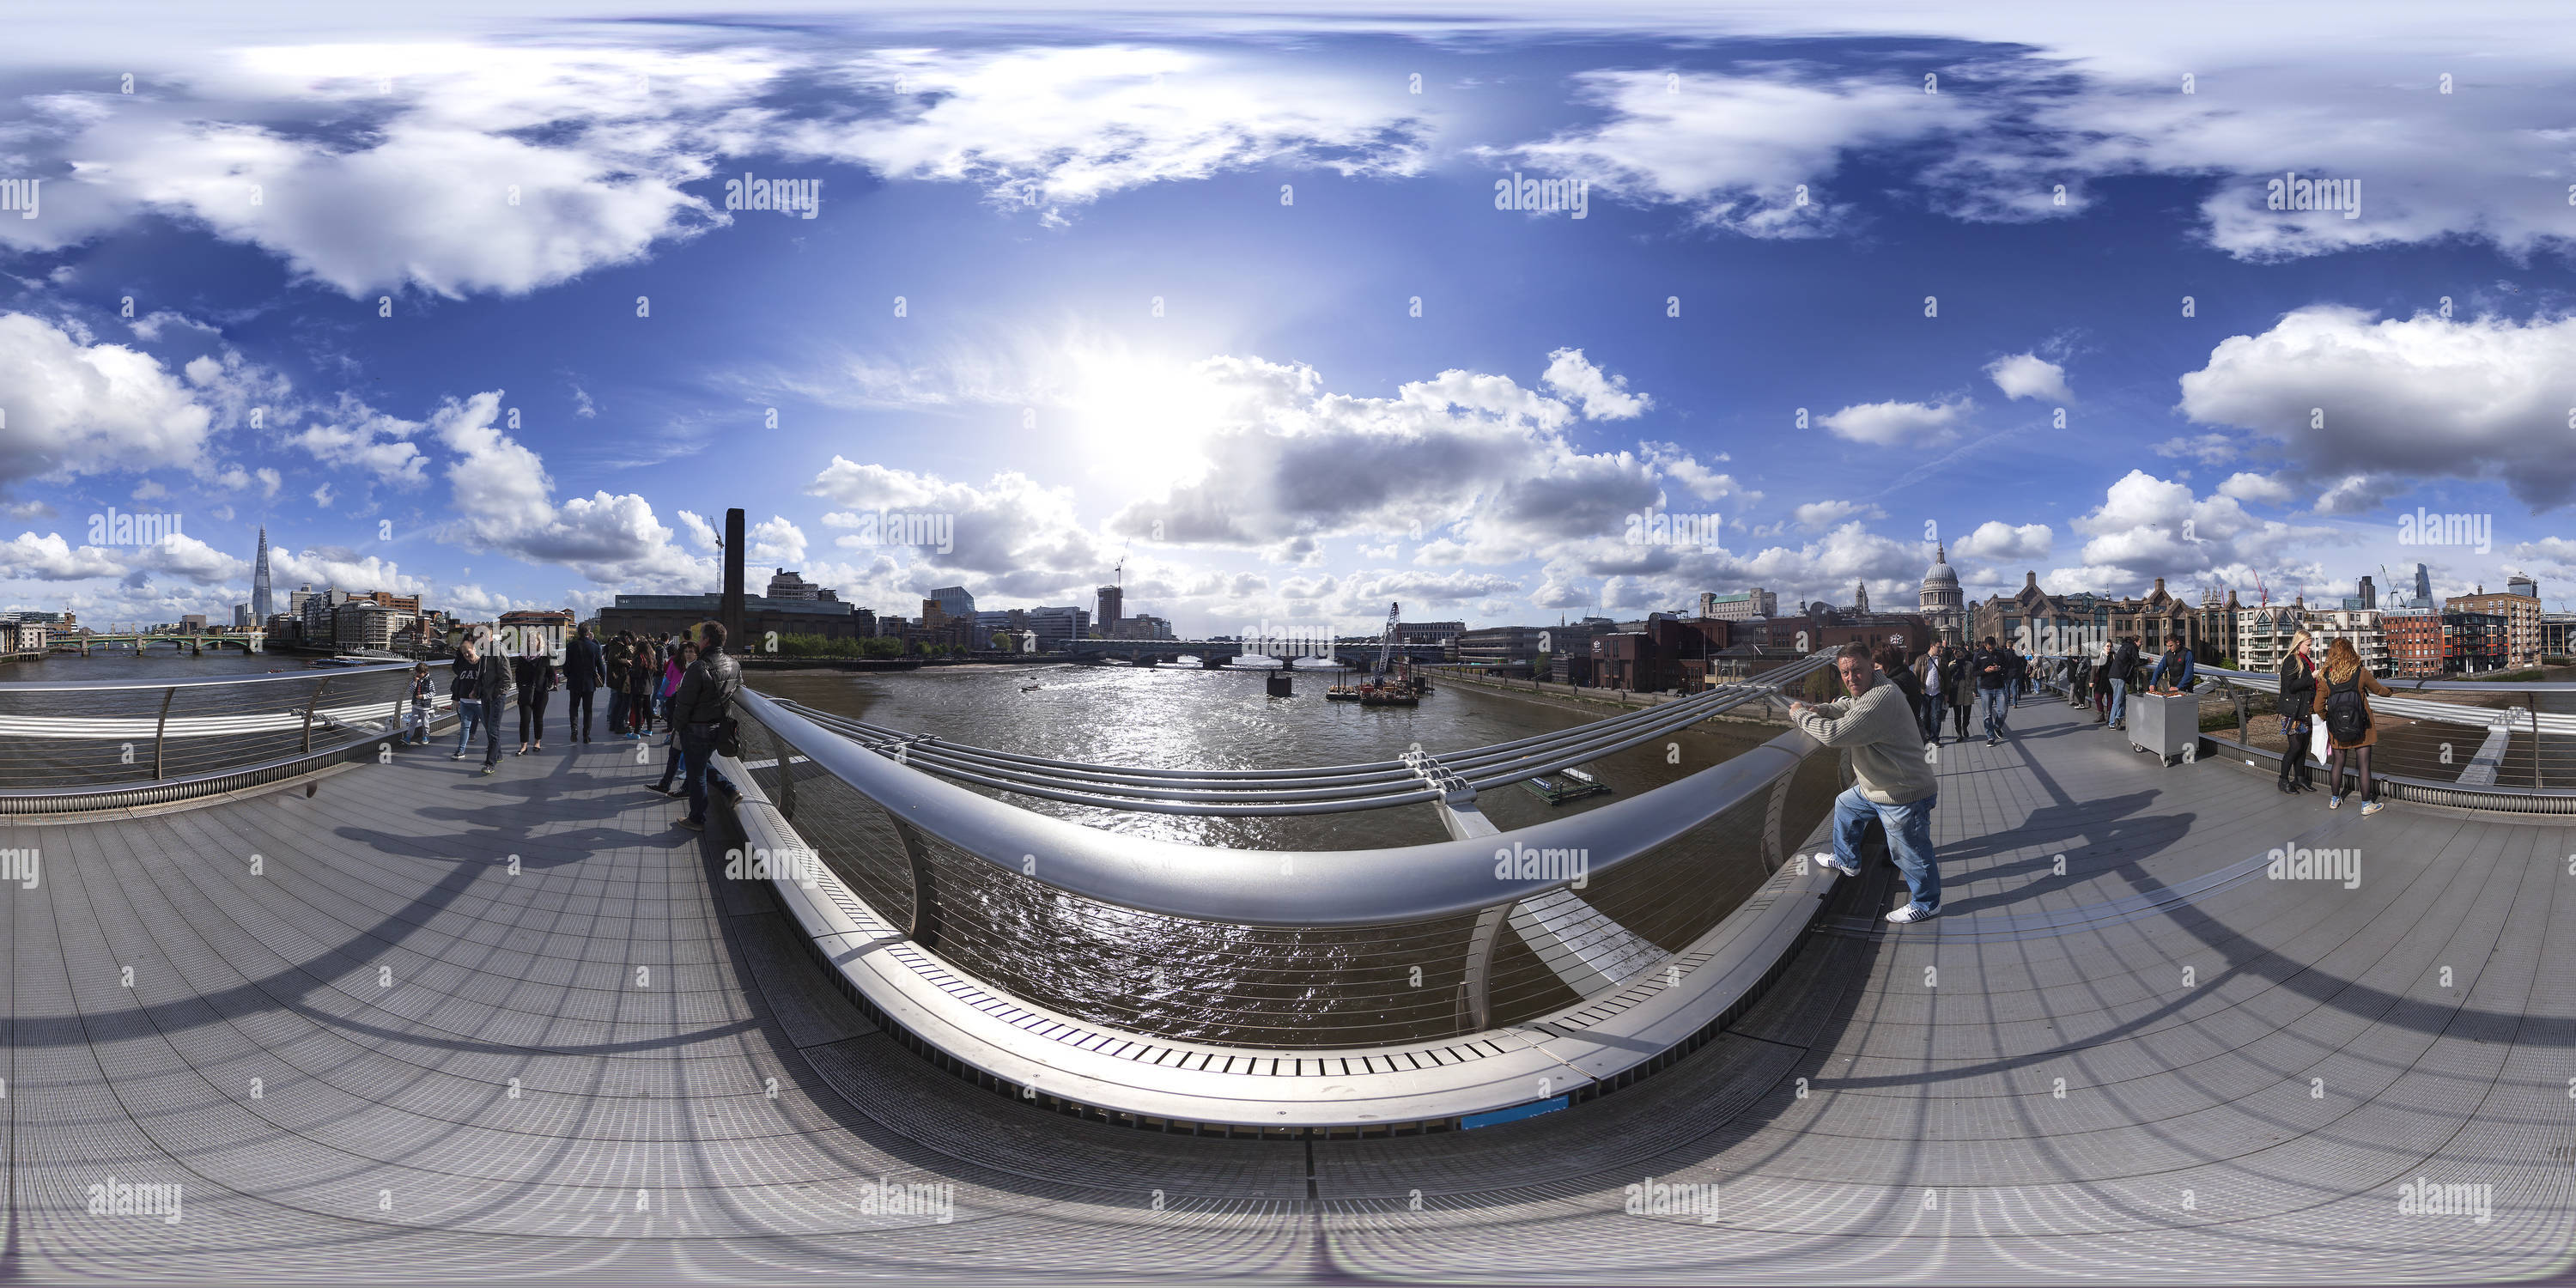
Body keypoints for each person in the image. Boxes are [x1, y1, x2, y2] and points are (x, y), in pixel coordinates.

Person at [1793, 642, 1943, 924]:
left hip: (1902, 792)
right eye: (1845, 673)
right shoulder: (1873, 690)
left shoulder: (1882, 696)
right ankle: (1847, 860)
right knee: (1845, 804)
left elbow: (1834, 735)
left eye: (1856, 670)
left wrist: (1801, 714)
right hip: (1879, 786)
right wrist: (1822, 708)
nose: (1851, 678)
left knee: (1909, 853)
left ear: (1871, 668)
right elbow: (1848, 706)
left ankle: (1927, 902)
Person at [668, 621, 743, 832]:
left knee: (696, 772)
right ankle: (730, 790)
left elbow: (684, 702)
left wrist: (678, 727)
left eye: (700, 637)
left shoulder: (699, 667)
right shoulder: (734, 665)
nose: (698, 641)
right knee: (699, 764)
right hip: (719, 728)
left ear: (707, 640)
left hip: (695, 729)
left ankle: (697, 819)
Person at [2314, 635, 2393, 815]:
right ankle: (2366, 804)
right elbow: (2379, 690)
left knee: (2338, 764)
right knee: (2364, 766)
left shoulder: (2325, 676)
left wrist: (2330, 718)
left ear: (2332, 655)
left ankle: (2334, 799)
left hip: (2337, 729)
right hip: (2362, 727)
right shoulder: (2360, 672)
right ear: (2351, 652)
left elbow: (2318, 706)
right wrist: (2391, 692)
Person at [649, 641, 699, 795]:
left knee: (690, 756)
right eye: (686, 651)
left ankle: (728, 788)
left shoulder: (696, 670)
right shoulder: (689, 669)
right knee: (675, 752)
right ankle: (666, 784)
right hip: (682, 716)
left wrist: (679, 689)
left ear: (697, 653)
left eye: (691, 651)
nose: (688, 654)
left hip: (688, 719)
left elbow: (689, 692)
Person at [2276, 629, 2318, 794]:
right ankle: (2283, 779)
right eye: (2308, 645)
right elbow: (2290, 687)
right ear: (2299, 644)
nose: (2311, 648)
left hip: (2306, 710)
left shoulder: (2306, 660)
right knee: (2295, 747)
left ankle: (2300, 778)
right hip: (2293, 712)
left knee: (2303, 746)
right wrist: (2312, 678)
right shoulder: (2291, 661)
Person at [473, 630, 516, 774]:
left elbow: (507, 677)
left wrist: (498, 693)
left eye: (480, 638)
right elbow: (482, 673)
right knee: (489, 728)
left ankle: (490, 763)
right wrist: (476, 689)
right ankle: (498, 755)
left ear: (488, 636)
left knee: (493, 729)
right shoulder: (485, 651)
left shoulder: (498, 649)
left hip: (496, 695)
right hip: (486, 694)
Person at [513, 636, 557, 755]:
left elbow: (552, 674)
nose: (531, 642)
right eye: (528, 640)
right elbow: (518, 672)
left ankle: (537, 743)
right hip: (525, 692)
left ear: (539, 642)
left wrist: (546, 686)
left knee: (538, 719)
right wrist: (520, 685)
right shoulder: (523, 657)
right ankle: (523, 746)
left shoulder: (545, 657)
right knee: (524, 720)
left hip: (540, 693)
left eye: (533, 640)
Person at [563, 623, 604, 744]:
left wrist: (568, 676)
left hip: (574, 682)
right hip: (589, 683)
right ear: (588, 632)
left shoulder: (570, 646)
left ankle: (574, 729)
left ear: (578, 632)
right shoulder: (594, 647)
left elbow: (566, 666)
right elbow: (601, 666)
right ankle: (586, 735)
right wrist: (601, 680)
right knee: (588, 710)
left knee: (573, 707)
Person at [449, 637, 483, 760]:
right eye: (464, 653)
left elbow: (487, 682)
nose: (467, 655)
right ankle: (461, 750)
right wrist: (457, 698)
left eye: (468, 651)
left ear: (474, 649)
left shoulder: (482, 663)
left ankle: (495, 749)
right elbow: (460, 683)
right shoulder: (463, 664)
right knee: (464, 727)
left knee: (489, 727)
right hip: (465, 702)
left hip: (480, 702)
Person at [1975, 636, 2012, 746]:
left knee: (2004, 711)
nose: (1991, 650)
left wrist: (2000, 668)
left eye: (1993, 648)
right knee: (1987, 714)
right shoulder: (1979, 655)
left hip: (1999, 687)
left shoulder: (2000, 653)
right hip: (1986, 688)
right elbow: (1974, 672)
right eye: (1989, 648)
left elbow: (2006, 668)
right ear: (1985, 645)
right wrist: (1985, 670)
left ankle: (1997, 726)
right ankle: (1990, 737)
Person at [1911, 644, 1947, 744]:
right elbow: (1915, 675)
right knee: (1923, 716)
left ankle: (1935, 737)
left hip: (1937, 692)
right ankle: (1926, 735)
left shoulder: (1942, 660)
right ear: (1932, 646)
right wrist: (1916, 691)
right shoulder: (1921, 659)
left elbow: (1947, 677)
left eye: (1941, 648)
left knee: (1936, 716)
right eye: (1939, 647)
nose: (1940, 649)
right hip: (1923, 693)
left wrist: (1947, 693)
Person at [605, 632, 635, 738]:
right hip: (617, 676)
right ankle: (619, 726)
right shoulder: (619, 644)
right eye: (630, 641)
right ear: (627, 638)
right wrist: (627, 661)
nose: (630, 643)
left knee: (618, 701)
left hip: (616, 676)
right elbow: (612, 658)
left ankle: (613, 724)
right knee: (622, 702)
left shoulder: (618, 643)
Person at [1946, 641, 1977, 743]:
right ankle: (1959, 733)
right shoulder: (1952, 664)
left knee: (1967, 714)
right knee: (1957, 714)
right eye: (1958, 656)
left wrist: (1972, 687)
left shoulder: (1969, 664)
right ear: (1955, 656)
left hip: (1967, 691)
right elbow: (1948, 676)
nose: (1960, 658)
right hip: (1956, 691)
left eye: (1961, 656)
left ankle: (1965, 726)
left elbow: (1973, 676)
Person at [2107, 635, 2140, 730]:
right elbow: (2137, 662)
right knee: (2117, 700)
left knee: (2123, 698)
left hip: (2113, 676)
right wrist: (2147, 660)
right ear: (2135, 642)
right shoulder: (2132, 648)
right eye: (2140, 642)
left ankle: (2118, 718)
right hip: (2119, 677)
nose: (2141, 644)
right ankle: (2112, 723)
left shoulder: (2124, 646)